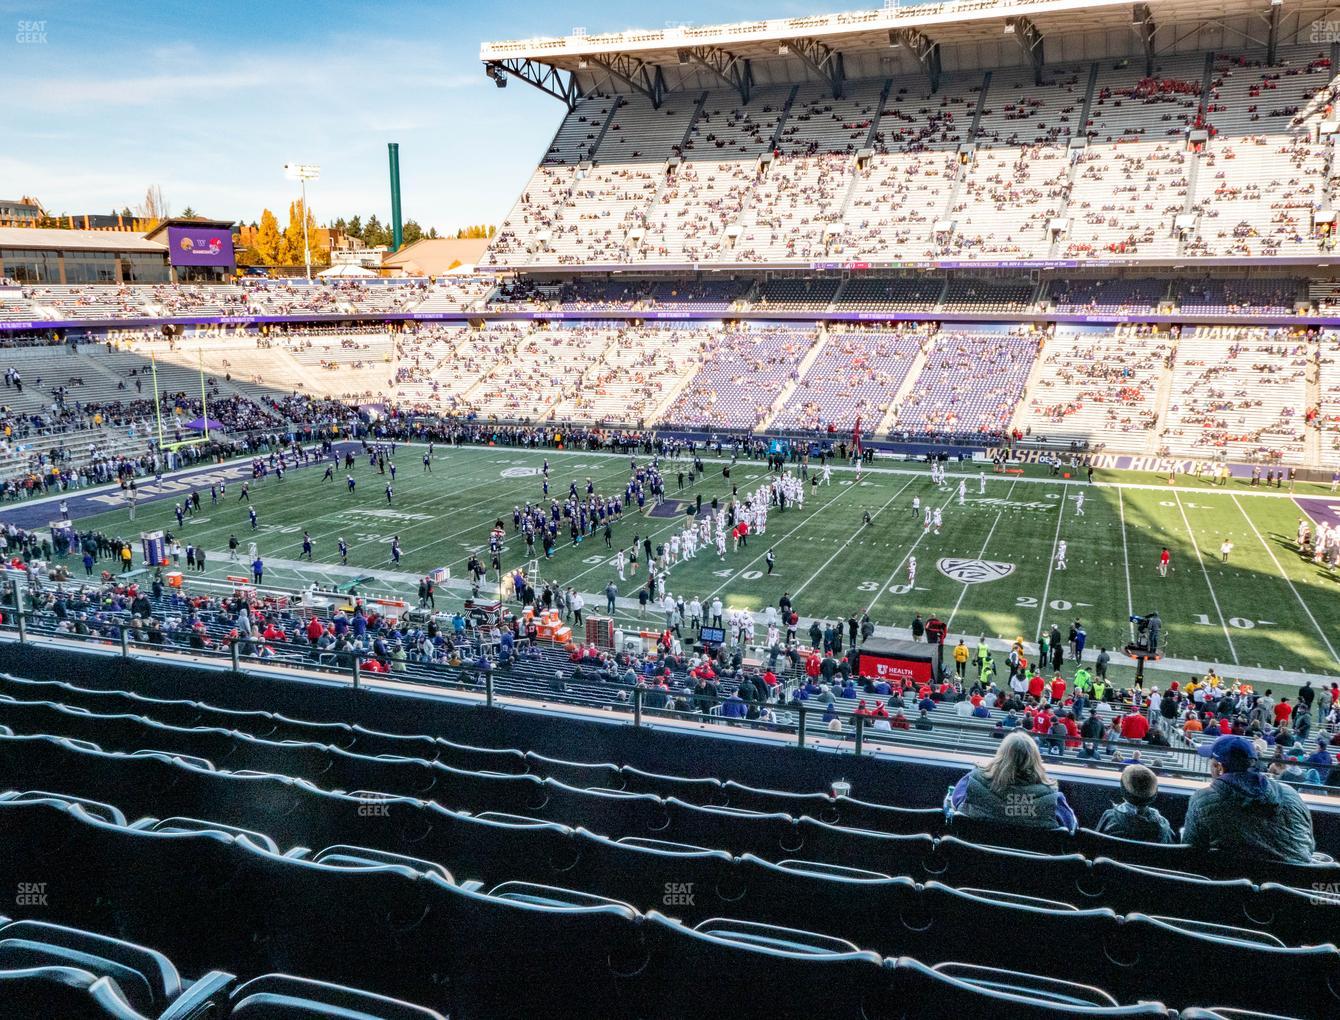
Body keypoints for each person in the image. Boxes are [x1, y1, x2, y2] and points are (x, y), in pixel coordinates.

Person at [1182, 735, 1316, 864]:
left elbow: (1190, 854)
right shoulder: (1290, 793)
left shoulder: (1202, 800)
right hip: (1294, 884)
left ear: (1219, 767)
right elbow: (1309, 845)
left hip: (1229, 884)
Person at [946, 730, 1077, 831]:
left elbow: (952, 805)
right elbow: (1071, 827)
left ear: (1000, 756)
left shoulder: (971, 783)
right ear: (1035, 760)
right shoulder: (1054, 801)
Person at [1094, 764, 1175, 844]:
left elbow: (1095, 844)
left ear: (1123, 791)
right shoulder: (1164, 826)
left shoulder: (1109, 817)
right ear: (1154, 795)